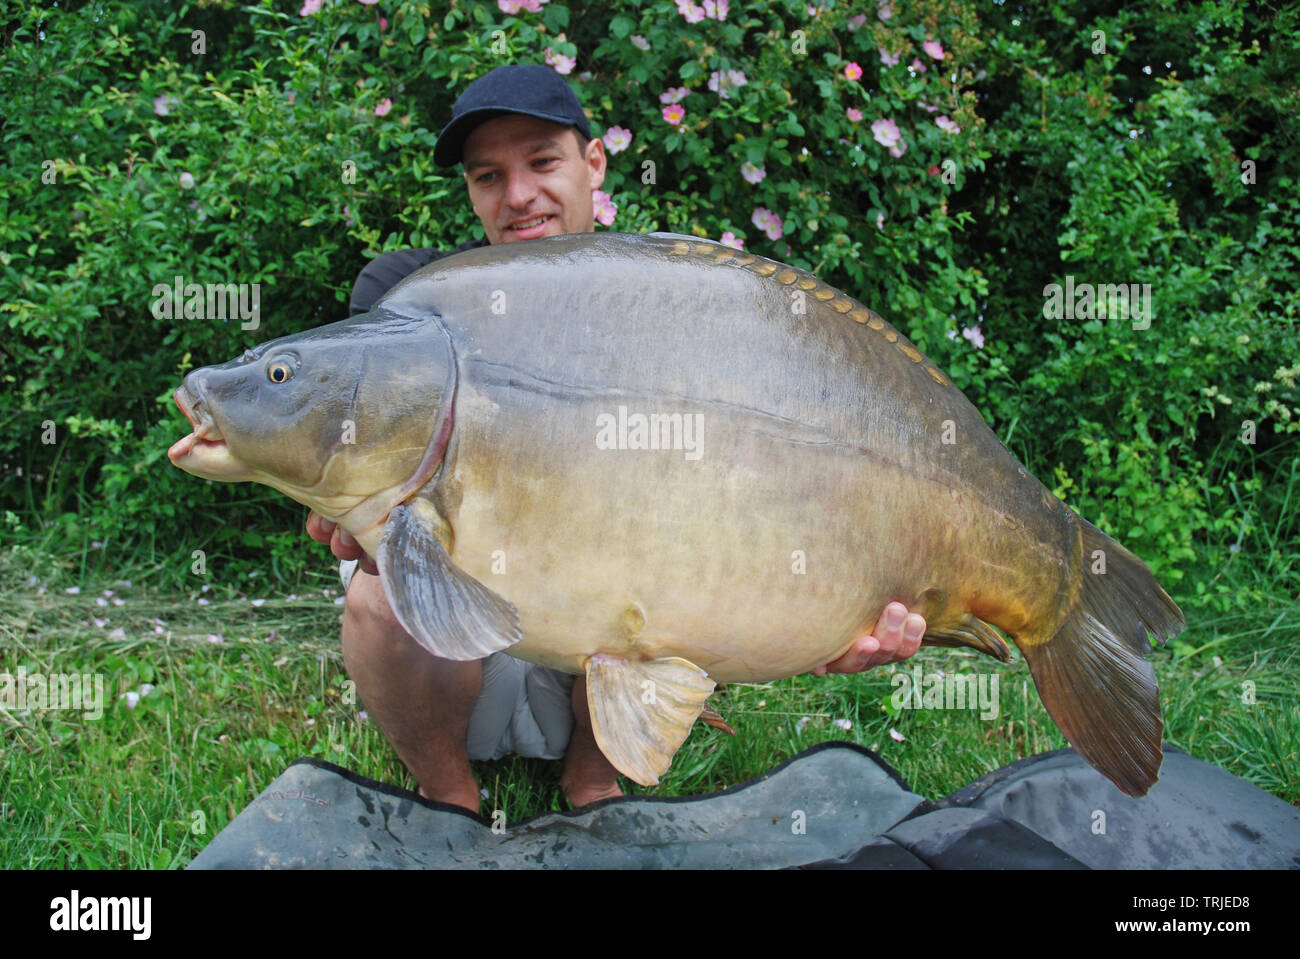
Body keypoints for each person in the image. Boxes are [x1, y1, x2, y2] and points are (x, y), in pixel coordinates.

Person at [306, 64, 928, 813]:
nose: (519, 195)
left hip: (607, 612)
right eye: (488, 176)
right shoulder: (408, 296)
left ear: (593, 162)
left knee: (686, 551)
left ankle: (594, 782)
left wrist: (826, 610)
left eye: (542, 162)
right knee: (383, 589)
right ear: (469, 190)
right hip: (464, 626)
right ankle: (448, 797)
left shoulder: (667, 297)